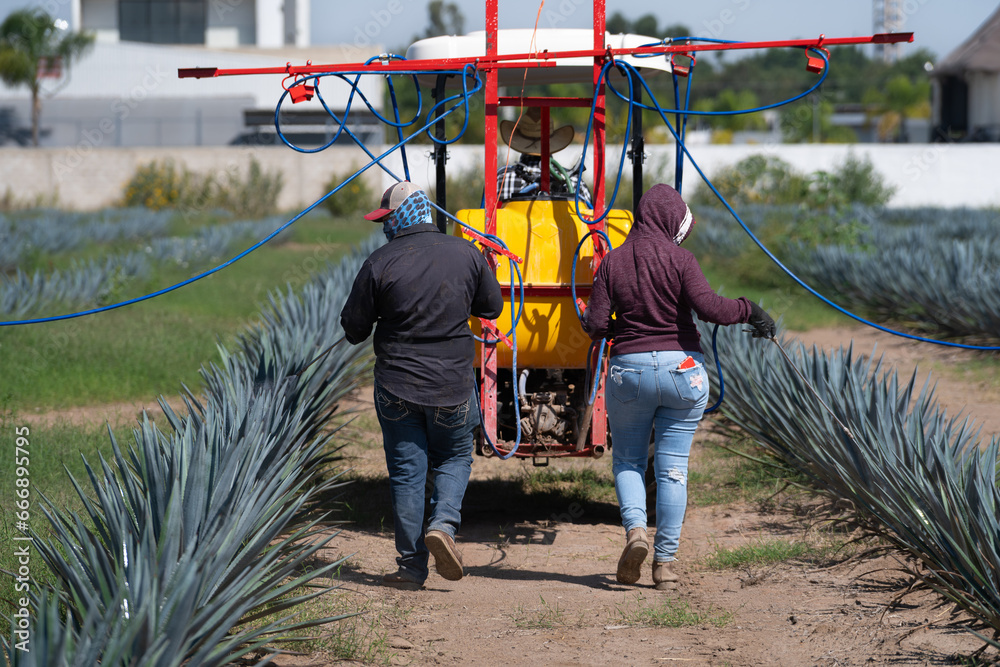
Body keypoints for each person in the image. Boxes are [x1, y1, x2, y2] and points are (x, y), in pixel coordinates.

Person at [581, 183, 776, 590]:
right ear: (672, 219)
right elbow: (711, 308)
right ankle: (665, 565)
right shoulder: (681, 259)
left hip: (628, 373)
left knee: (629, 463)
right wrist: (751, 309)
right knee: (672, 470)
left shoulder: (612, 263)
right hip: (682, 372)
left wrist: (624, 328)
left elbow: (596, 325)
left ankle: (636, 532)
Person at [340, 181, 504, 590]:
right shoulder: (466, 254)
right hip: (451, 385)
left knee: (407, 473)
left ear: (401, 216)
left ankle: (412, 568)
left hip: (396, 388)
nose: (385, 226)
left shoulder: (380, 262)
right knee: (454, 456)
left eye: (386, 219)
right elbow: (492, 308)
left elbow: (354, 330)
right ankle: (444, 524)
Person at [497, 106, 593, 207]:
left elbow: (486, 219)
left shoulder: (500, 179)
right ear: (551, 141)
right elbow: (589, 218)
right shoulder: (576, 184)